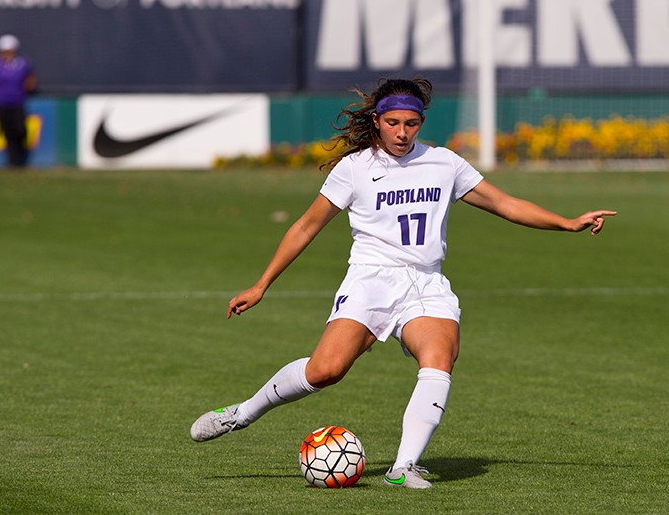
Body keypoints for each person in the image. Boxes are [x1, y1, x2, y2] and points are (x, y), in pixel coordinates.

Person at [190, 78, 616, 489]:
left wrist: (567, 222)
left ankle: (403, 466)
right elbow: (305, 227)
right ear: (376, 120)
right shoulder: (354, 169)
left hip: (426, 283)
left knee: (439, 358)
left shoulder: (444, 163)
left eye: (411, 124)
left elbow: (504, 203)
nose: (402, 132)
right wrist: (261, 284)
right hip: (371, 280)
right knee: (326, 370)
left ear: (421, 123)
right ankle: (243, 412)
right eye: (393, 123)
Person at [0, 34, 37, 168]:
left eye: (9, 51)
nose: (7, 54)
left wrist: (29, 87)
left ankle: (21, 157)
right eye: (4, 51)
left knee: (20, 130)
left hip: (18, 102)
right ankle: (13, 162)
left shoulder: (22, 63)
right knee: (8, 132)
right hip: (1, 102)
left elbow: (30, 78)